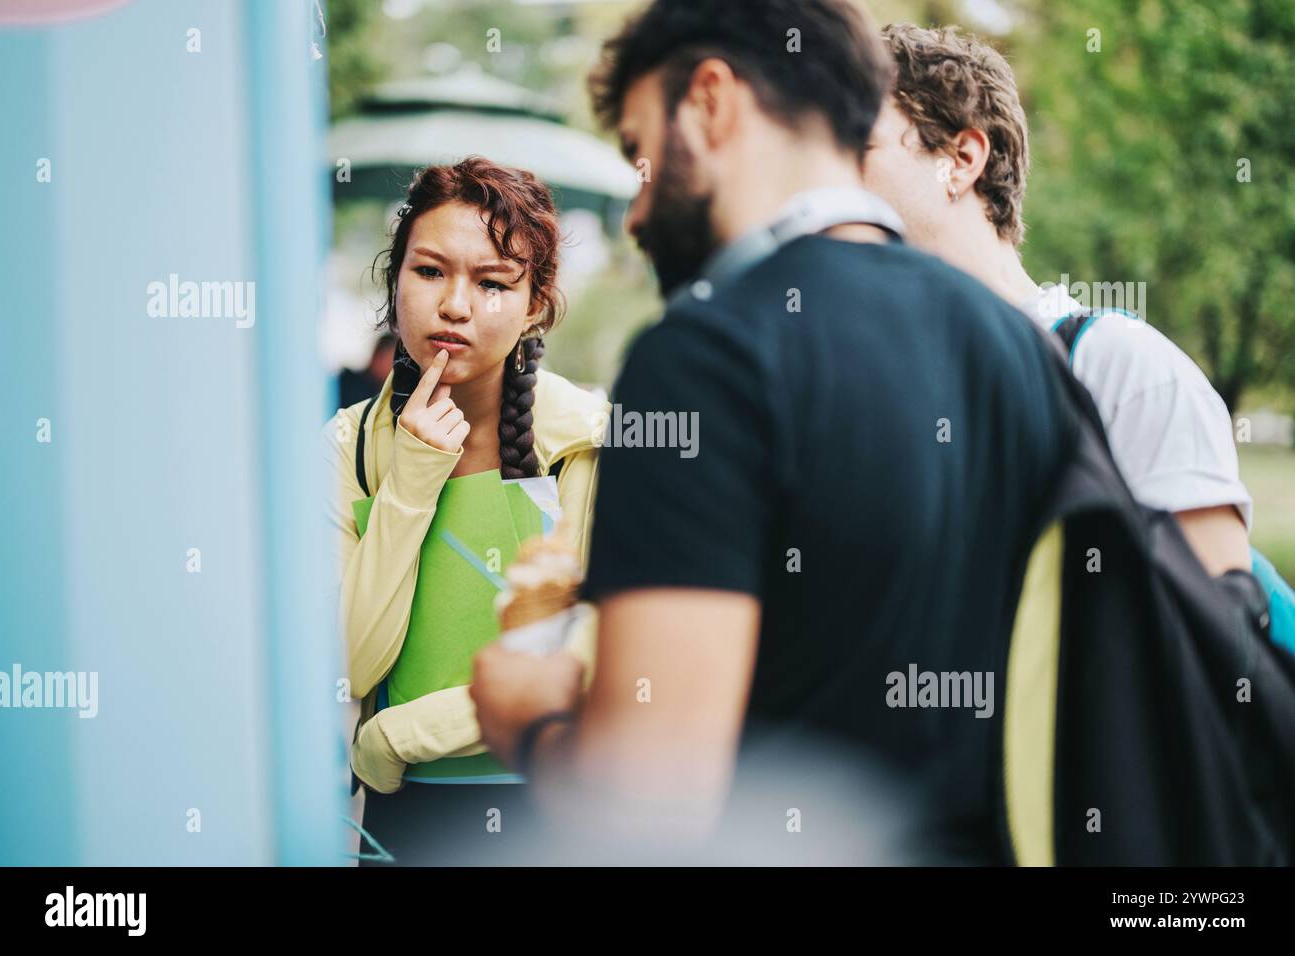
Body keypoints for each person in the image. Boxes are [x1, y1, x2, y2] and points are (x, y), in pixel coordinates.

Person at [469, 0, 1076, 863]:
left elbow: (647, 801)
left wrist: (527, 716)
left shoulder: (700, 358)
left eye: (642, 156)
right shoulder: (1021, 348)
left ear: (710, 100)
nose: (637, 217)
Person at [858, 23, 1254, 579]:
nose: (828, 178)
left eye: (859, 145)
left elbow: (1216, 634)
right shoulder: (875, 386)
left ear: (962, 158)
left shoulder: (1127, 371)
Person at [323, 157, 608, 865]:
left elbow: (588, 661)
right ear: (395, 281)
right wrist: (412, 481)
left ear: (536, 303)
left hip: (561, 813)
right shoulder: (349, 443)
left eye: (492, 283)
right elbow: (349, 664)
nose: (455, 305)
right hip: (403, 824)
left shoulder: (588, 439)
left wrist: (399, 736)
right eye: (429, 272)